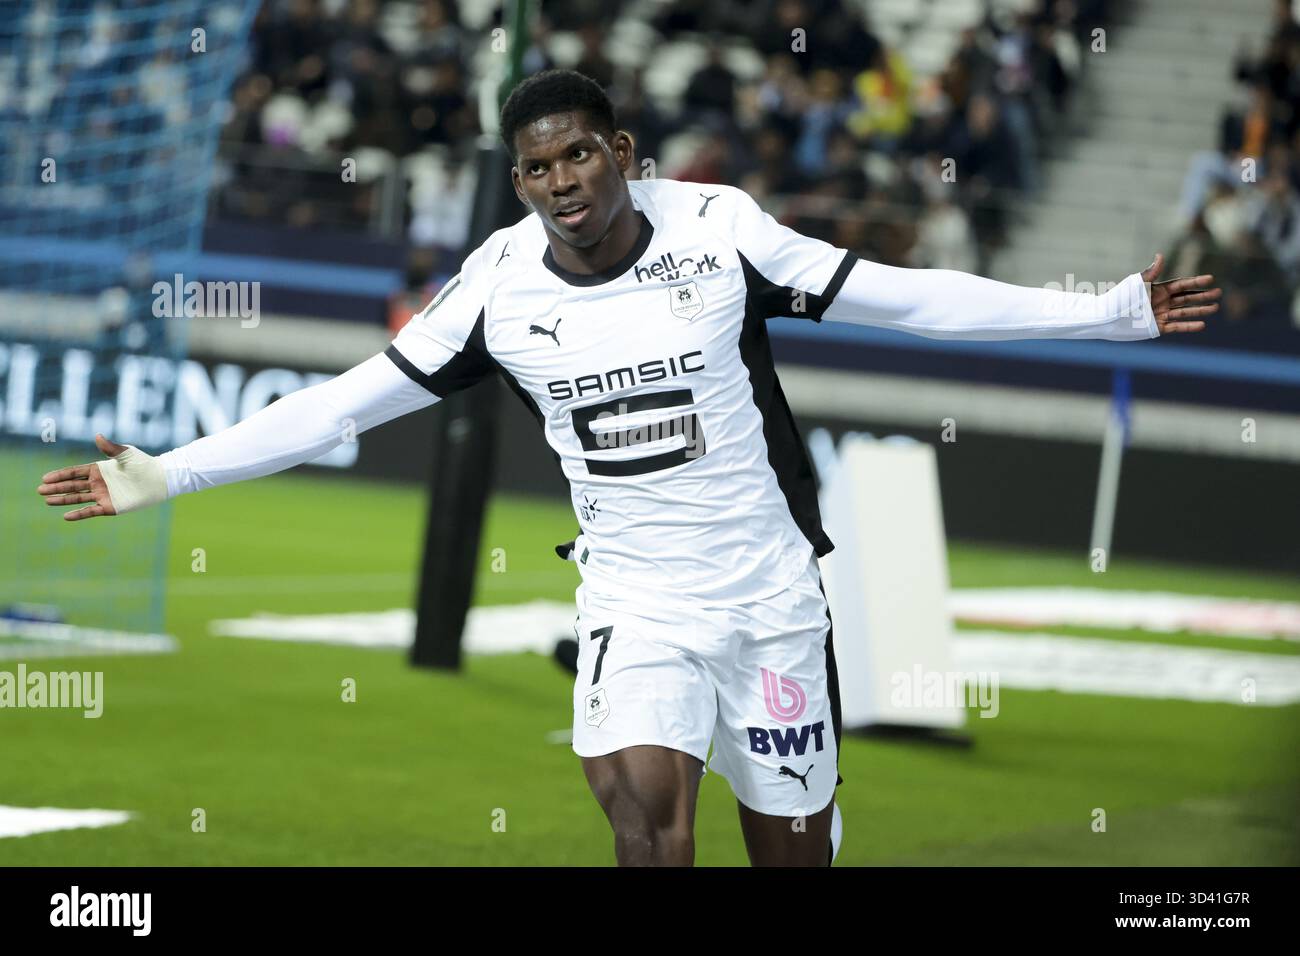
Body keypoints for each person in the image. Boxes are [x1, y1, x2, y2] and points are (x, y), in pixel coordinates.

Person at [36, 69, 1220, 867]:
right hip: (635, 598)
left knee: (789, 846)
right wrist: (168, 473)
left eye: (581, 157)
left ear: (622, 153)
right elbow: (346, 402)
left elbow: (906, 299)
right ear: (520, 182)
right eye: (540, 168)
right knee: (648, 821)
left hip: (768, 596)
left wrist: (1112, 312)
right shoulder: (496, 288)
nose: (564, 183)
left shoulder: (721, 230)